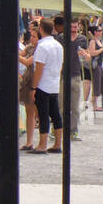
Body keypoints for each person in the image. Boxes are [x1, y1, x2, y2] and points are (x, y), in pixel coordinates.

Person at [31, 17, 65, 153]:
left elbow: (39, 69)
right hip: (54, 83)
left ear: (40, 29)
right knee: (55, 114)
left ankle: (42, 144)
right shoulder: (58, 45)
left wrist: (33, 87)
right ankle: (57, 144)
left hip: (43, 84)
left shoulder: (42, 46)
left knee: (43, 114)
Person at [19, 22, 40, 149]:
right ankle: (29, 141)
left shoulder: (40, 49)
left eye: (34, 36)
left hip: (37, 81)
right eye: (31, 36)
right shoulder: (29, 48)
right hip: (28, 80)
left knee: (38, 112)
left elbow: (27, 62)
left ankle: (40, 140)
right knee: (29, 112)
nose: (31, 38)